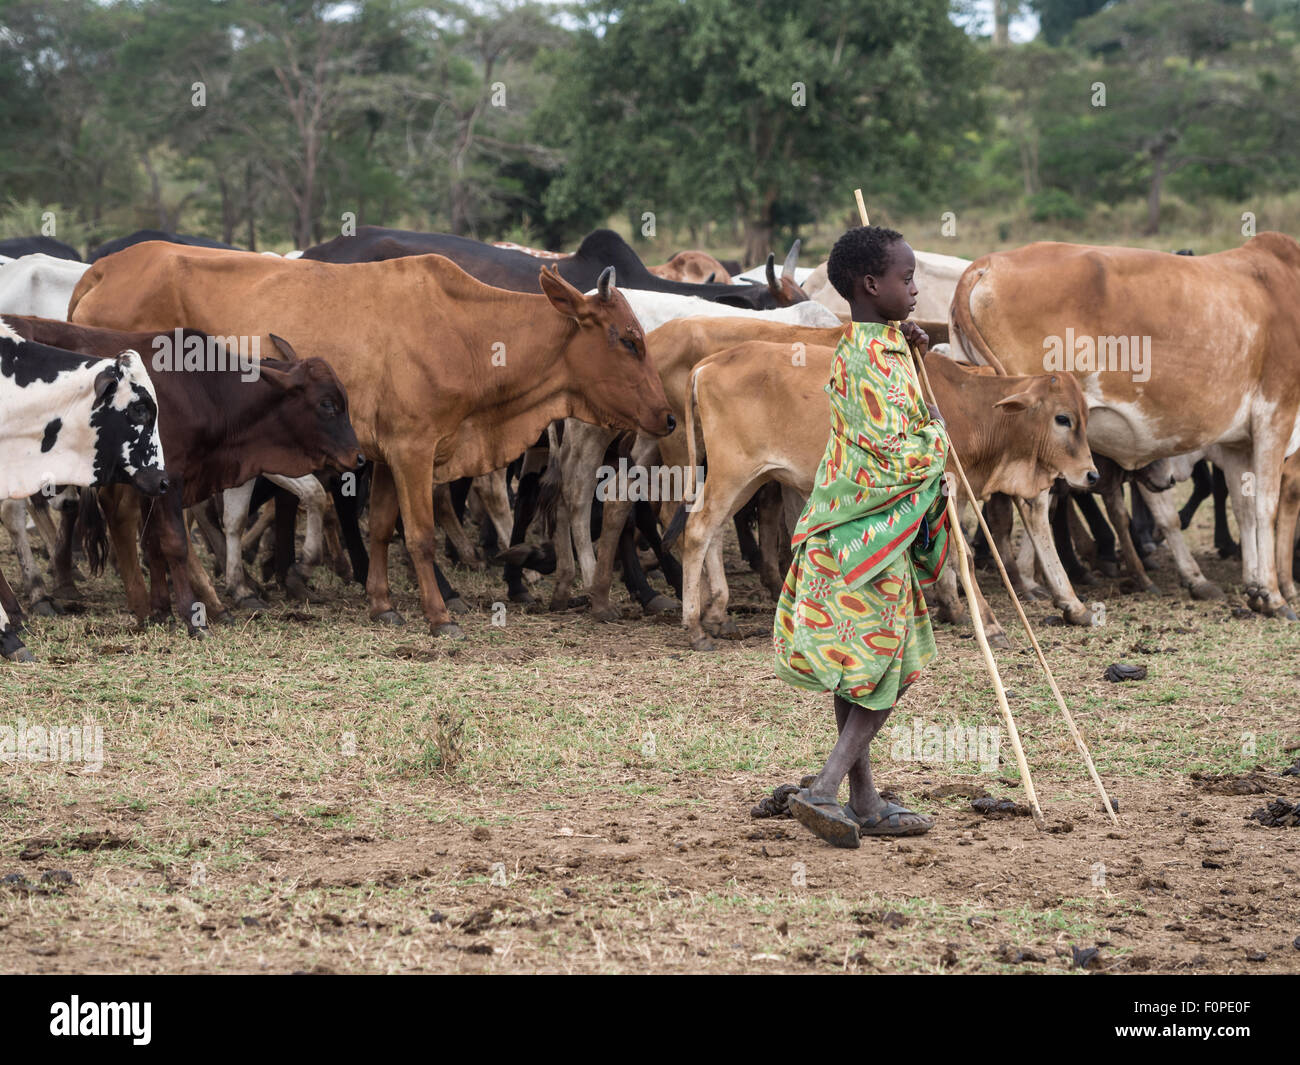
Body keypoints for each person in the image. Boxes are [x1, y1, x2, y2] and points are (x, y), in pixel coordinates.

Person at [772, 225, 951, 847]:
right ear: (872, 285)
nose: (915, 289)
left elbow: (885, 417)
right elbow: (893, 454)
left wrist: (916, 357)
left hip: (839, 535)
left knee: (859, 668)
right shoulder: (876, 357)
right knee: (888, 667)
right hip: (864, 544)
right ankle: (824, 789)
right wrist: (940, 440)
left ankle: (866, 801)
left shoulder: (868, 348)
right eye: (906, 279)